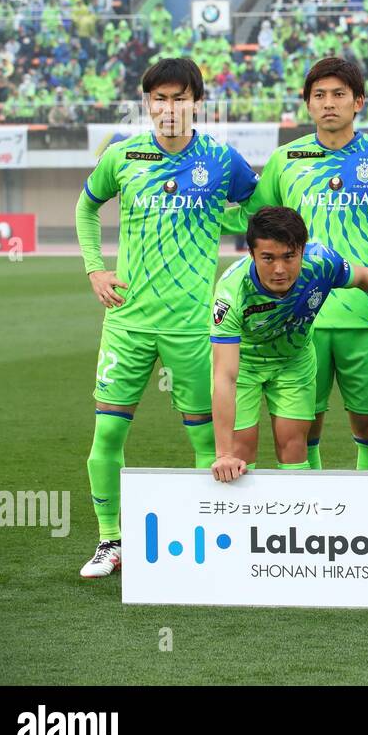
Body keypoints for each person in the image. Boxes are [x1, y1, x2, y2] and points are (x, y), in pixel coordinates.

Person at [75, 58, 258, 578]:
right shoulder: (122, 154)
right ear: (147, 102)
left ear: (196, 102)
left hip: (192, 326)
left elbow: (255, 212)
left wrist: (219, 215)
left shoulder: (222, 159)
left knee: (207, 442)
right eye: (159, 98)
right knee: (107, 435)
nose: (169, 108)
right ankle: (111, 540)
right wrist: (95, 269)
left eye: (179, 98)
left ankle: (220, 545)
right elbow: (86, 209)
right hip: (128, 322)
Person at [224, 57, 368, 472]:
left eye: (339, 94)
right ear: (306, 103)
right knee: (303, 429)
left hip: (367, 314)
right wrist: (199, 217)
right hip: (299, 320)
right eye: (319, 95)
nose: (329, 103)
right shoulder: (285, 159)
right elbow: (255, 219)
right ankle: (313, 523)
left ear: (358, 101)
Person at [210, 207, 368, 482]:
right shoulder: (231, 292)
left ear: (303, 251)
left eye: (289, 257)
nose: (279, 269)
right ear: (252, 254)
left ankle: (304, 521)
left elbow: (364, 278)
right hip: (244, 364)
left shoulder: (321, 262)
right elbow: (225, 375)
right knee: (239, 453)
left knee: (294, 447)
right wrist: (223, 454)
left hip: (293, 360)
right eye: (268, 258)